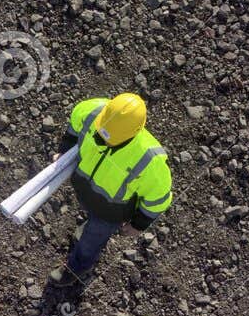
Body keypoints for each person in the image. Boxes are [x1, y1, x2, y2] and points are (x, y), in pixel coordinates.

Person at [52, 92, 173, 286]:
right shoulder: (90, 110)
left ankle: (78, 268)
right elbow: (75, 125)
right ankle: (86, 229)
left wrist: (138, 225)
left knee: (89, 244)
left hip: (109, 214)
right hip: (83, 188)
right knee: (88, 217)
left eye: (111, 139)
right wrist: (65, 150)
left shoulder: (150, 161)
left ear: (135, 132)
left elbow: (158, 199)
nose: (103, 139)